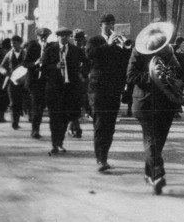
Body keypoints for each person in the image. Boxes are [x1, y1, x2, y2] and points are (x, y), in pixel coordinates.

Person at [127, 22, 184, 194]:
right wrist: (155, 76)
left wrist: (182, 82)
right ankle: (158, 175)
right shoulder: (138, 51)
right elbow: (131, 75)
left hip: (167, 104)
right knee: (151, 139)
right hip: (146, 102)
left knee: (159, 142)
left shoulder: (170, 51)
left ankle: (149, 174)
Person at [86, 14, 131, 172]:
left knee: (110, 125)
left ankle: (104, 154)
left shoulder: (119, 42)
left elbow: (125, 64)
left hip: (114, 88)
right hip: (97, 88)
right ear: (101, 25)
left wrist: (125, 48)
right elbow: (90, 55)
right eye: (107, 24)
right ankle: (101, 159)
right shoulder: (95, 41)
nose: (111, 26)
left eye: (113, 23)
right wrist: (109, 44)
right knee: (100, 123)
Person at [41, 27, 82, 156]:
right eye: (61, 35)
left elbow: (85, 63)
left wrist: (82, 74)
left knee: (65, 118)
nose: (64, 37)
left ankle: (60, 142)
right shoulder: (50, 50)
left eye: (66, 35)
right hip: (54, 89)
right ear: (57, 37)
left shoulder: (76, 50)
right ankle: (54, 144)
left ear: (69, 37)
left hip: (69, 89)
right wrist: (55, 66)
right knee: (54, 118)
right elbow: (43, 68)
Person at [21, 27, 51, 139]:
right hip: (34, 81)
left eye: (45, 36)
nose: (43, 38)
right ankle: (35, 130)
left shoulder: (50, 47)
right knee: (37, 106)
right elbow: (25, 63)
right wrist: (35, 63)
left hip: (45, 80)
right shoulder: (32, 46)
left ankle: (36, 126)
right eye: (41, 36)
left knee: (41, 106)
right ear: (37, 36)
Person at [0, 35, 27, 129]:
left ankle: (17, 121)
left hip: (23, 81)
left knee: (20, 102)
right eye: (11, 43)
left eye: (14, 43)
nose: (12, 45)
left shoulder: (25, 53)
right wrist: (4, 72)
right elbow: (1, 66)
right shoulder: (9, 54)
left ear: (20, 43)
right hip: (11, 80)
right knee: (13, 102)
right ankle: (14, 123)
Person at [68, 29, 91, 138]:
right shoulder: (70, 50)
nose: (77, 42)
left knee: (79, 103)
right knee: (74, 105)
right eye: (76, 39)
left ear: (84, 40)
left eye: (80, 40)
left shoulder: (87, 50)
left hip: (84, 82)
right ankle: (75, 127)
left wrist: (84, 74)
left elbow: (89, 64)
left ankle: (74, 127)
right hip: (73, 82)